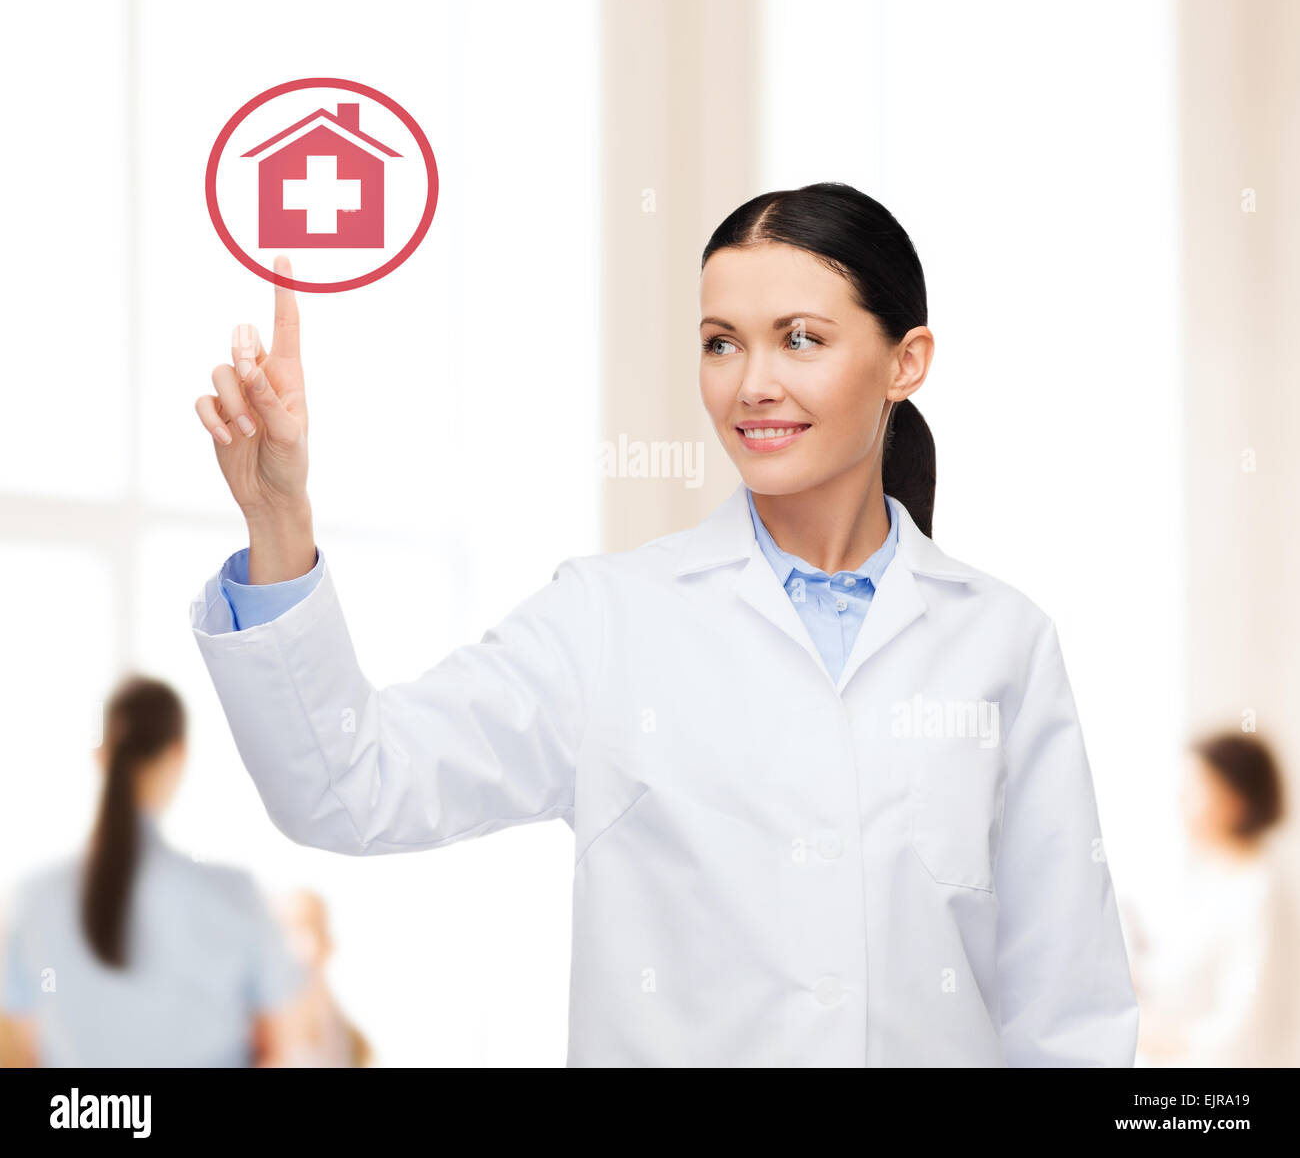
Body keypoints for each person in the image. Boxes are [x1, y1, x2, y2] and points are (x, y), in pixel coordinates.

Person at [189, 183, 1137, 1067]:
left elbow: (1068, 1011)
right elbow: (351, 785)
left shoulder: (1001, 644)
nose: (751, 383)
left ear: (906, 361)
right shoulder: (610, 621)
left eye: (800, 338)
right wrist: (279, 522)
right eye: (722, 342)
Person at [0, 675, 307, 1067]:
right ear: (178, 753)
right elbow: (278, 1046)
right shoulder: (233, 894)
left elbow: (26, 1052)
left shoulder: (33, 897)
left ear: (101, 755)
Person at [1129, 732, 1300, 1067]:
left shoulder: (1261, 893)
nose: (1179, 802)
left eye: (1195, 790)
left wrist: (1156, 1035)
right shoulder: (1209, 879)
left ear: (1236, 801)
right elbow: (1183, 977)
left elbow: (1244, 1031)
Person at [274, 889, 372, 1067]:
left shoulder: (348, 1038)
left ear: (328, 942)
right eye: (285, 929)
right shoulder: (256, 1026)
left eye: (304, 927)